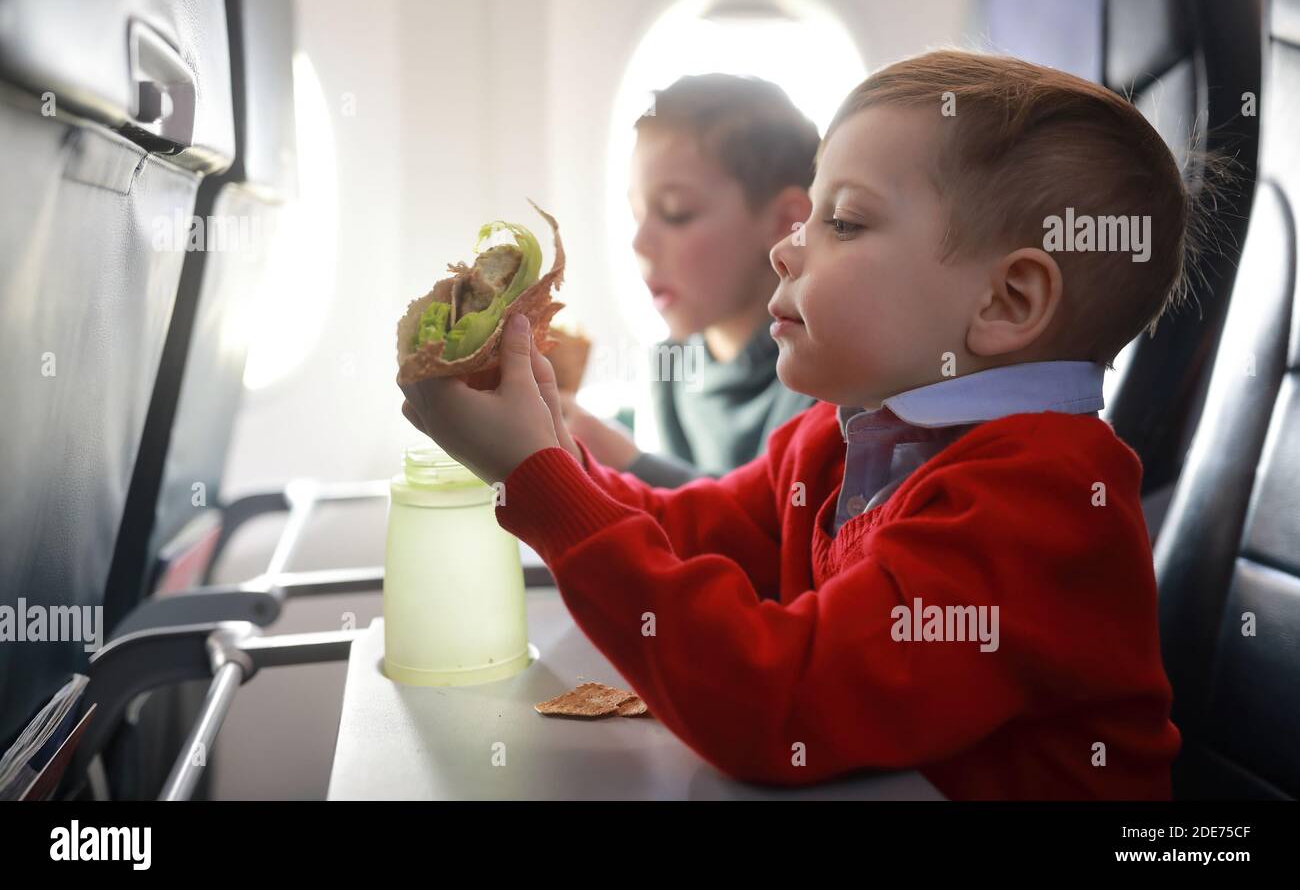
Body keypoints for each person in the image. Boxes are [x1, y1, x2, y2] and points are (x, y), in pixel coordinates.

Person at [400, 50, 1195, 799]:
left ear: (1007, 302)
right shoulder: (836, 436)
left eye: (842, 222)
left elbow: (777, 703)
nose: (787, 249)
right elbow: (688, 529)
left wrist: (541, 485)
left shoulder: (1042, 506)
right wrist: (545, 454)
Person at [562, 73, 819, 486]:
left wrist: (631, 464)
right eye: (637, 216)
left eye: (675, 212)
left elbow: (765, 528)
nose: (640, 243)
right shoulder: (668, 367)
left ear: (786, 221)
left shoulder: (819, 379)